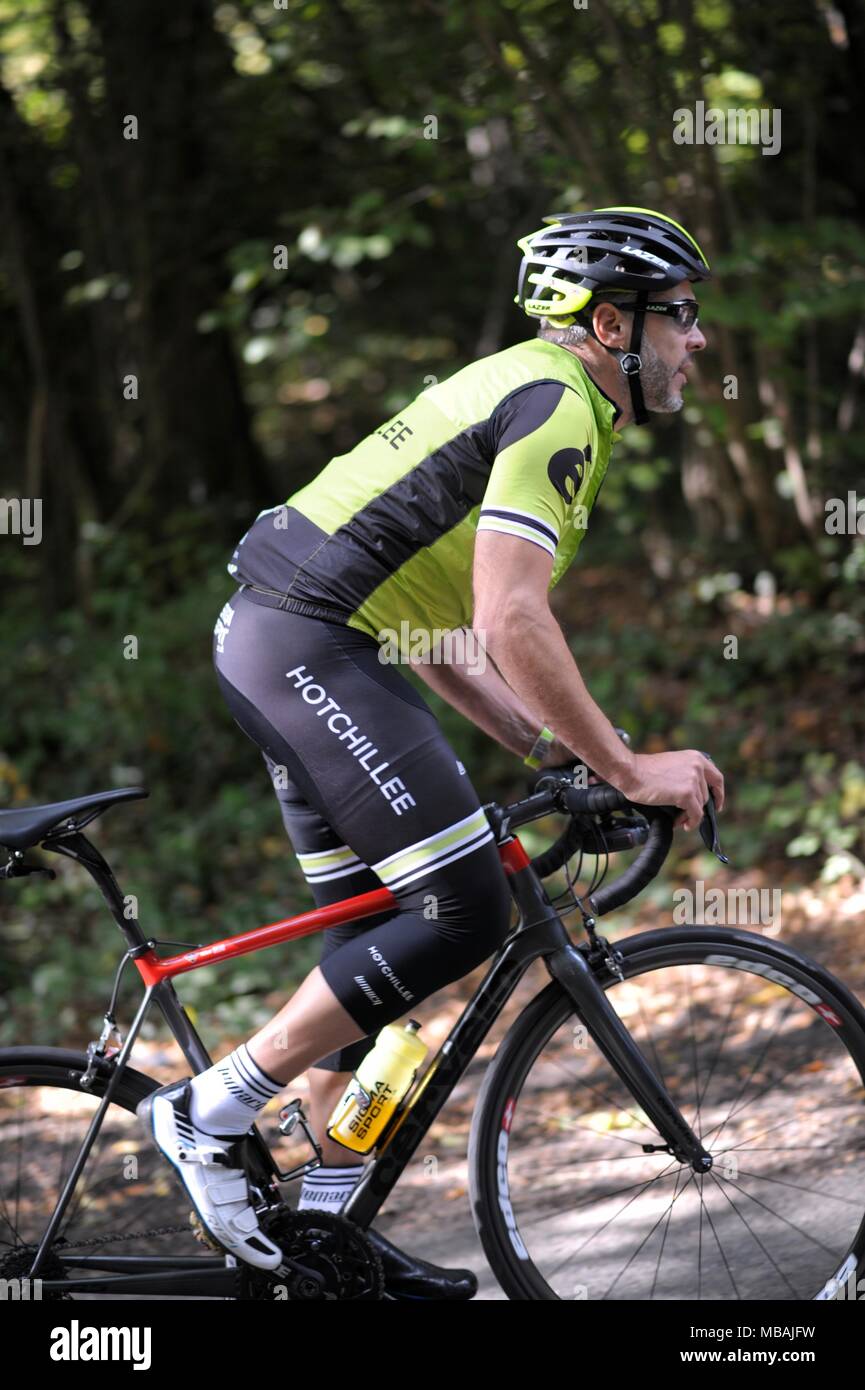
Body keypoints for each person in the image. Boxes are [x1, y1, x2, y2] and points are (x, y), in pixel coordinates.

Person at [138, 206, 726, 1298]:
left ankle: (326, 1242)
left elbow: (449, 630)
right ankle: (205, 1109)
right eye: (680, 315)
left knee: (370, 971)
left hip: (287, 642)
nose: (696, 340)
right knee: (465, 907)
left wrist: (555, 746)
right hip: (309, 643)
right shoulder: (559, 404)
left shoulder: (525, 389)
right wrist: (630, 767)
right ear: (611, 322)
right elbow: (513, 618)